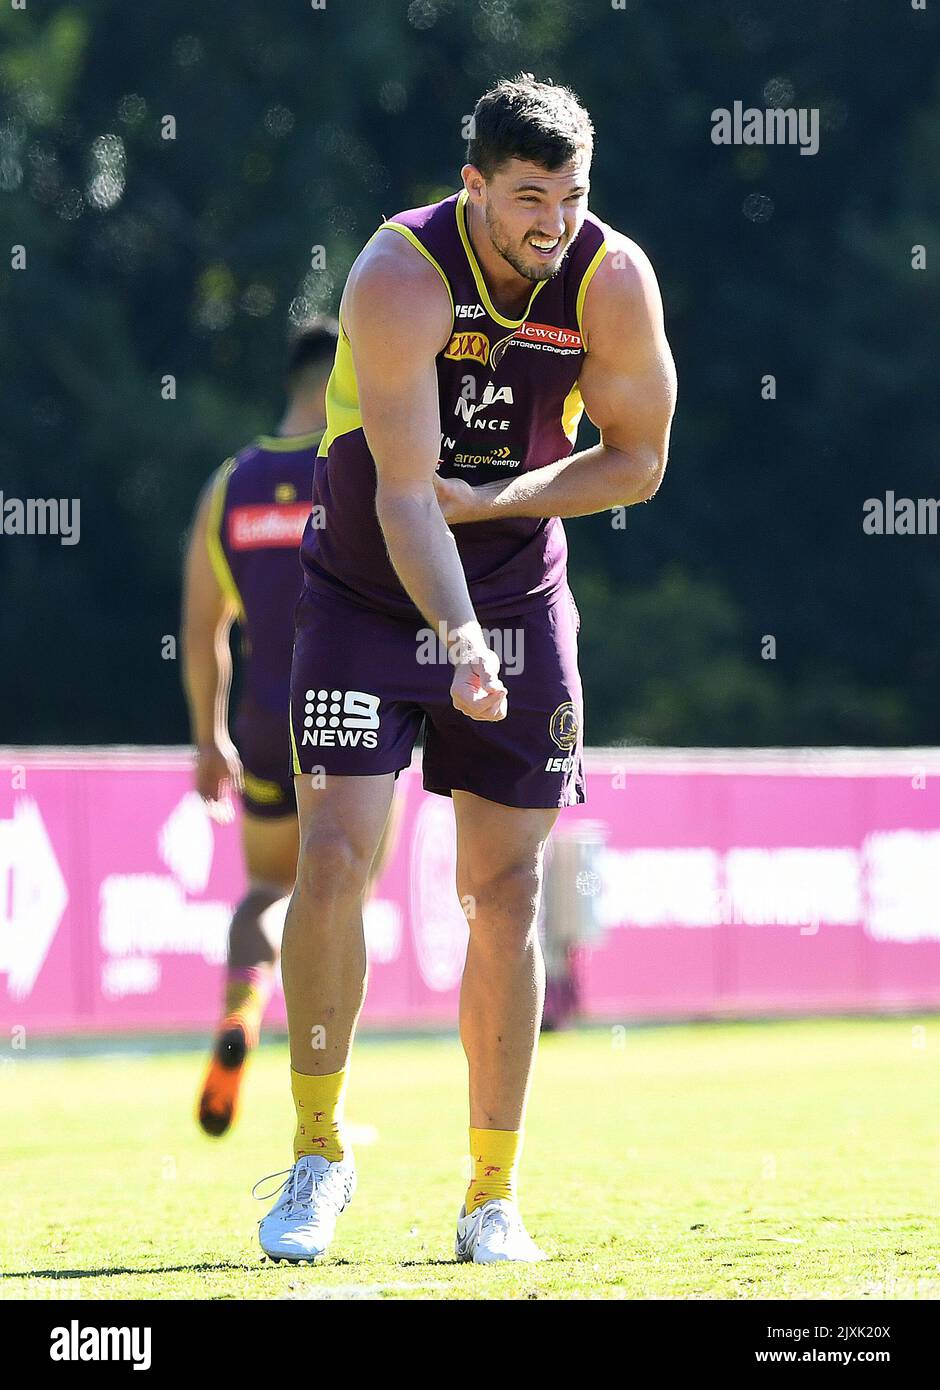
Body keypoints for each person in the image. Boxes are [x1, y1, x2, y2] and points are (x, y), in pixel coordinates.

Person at [257, 74, 676, 1263]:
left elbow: (636, 460)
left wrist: (497, 501)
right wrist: (451, 638)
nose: (552, 222)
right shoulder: (400, 275)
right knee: (334, 854)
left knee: (507, 894)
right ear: (473, 185)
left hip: (516, 590)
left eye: (573, 196)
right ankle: (316, 1157)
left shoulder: (612, 280)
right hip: (366, 588)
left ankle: (491, 1192)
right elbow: (402, 493)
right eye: (529, 197)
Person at [182, 318, 394, 1137]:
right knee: (344, 903)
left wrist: (209, 740)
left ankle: (243, 1009)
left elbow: (202, 627)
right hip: (357, 712)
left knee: (271, 893)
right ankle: (331, 1104)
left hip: (267, 721)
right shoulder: (365, 462)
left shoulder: (229, 484)